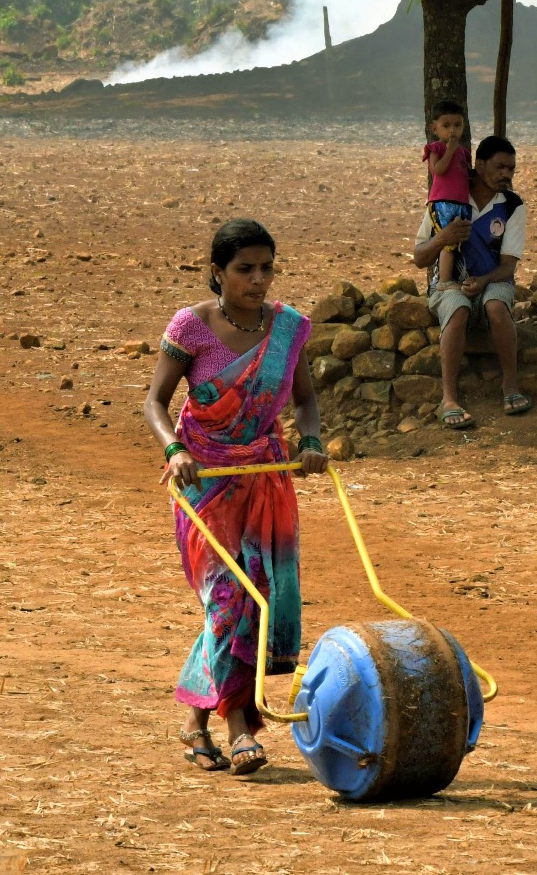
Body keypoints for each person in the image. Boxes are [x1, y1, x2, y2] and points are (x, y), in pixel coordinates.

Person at [143, 218, 329, 776]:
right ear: (217, 273)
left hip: (266, 476)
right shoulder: (191, 327)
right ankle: (240, 729)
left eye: (266, 268)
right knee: (226, 598)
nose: (258, 280)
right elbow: (154, 402)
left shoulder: (289, 328)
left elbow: (305, 401)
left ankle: (197, 725)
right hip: (201, 480)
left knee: (254, 600)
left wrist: (313, 441)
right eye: (244, 269)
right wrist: (174, 450)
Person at [413, 134, 530, 430]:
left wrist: (483, 280)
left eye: (511, 169)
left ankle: (510, 385)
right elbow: (419, 257)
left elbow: (507, 266)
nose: (506, 175)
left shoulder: (512, 206)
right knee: (457, 308)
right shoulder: (448, 201)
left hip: (493, 282)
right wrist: (444, 238)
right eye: (500, 167)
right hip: (449, 284)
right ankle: (449, 398)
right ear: (479, 165)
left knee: (495, 306)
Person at [422, 99, 473, 288]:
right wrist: (450, 150)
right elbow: (438, 170)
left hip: (460, 202)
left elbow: (466, 174)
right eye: (446, 126)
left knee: (457, 242)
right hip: (442, 202)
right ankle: (443, 281)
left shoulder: (463, 152)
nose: (452, 131)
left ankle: (454, 277)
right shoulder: (436, 148)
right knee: (447, 241)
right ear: (435, 128)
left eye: (457, 125)